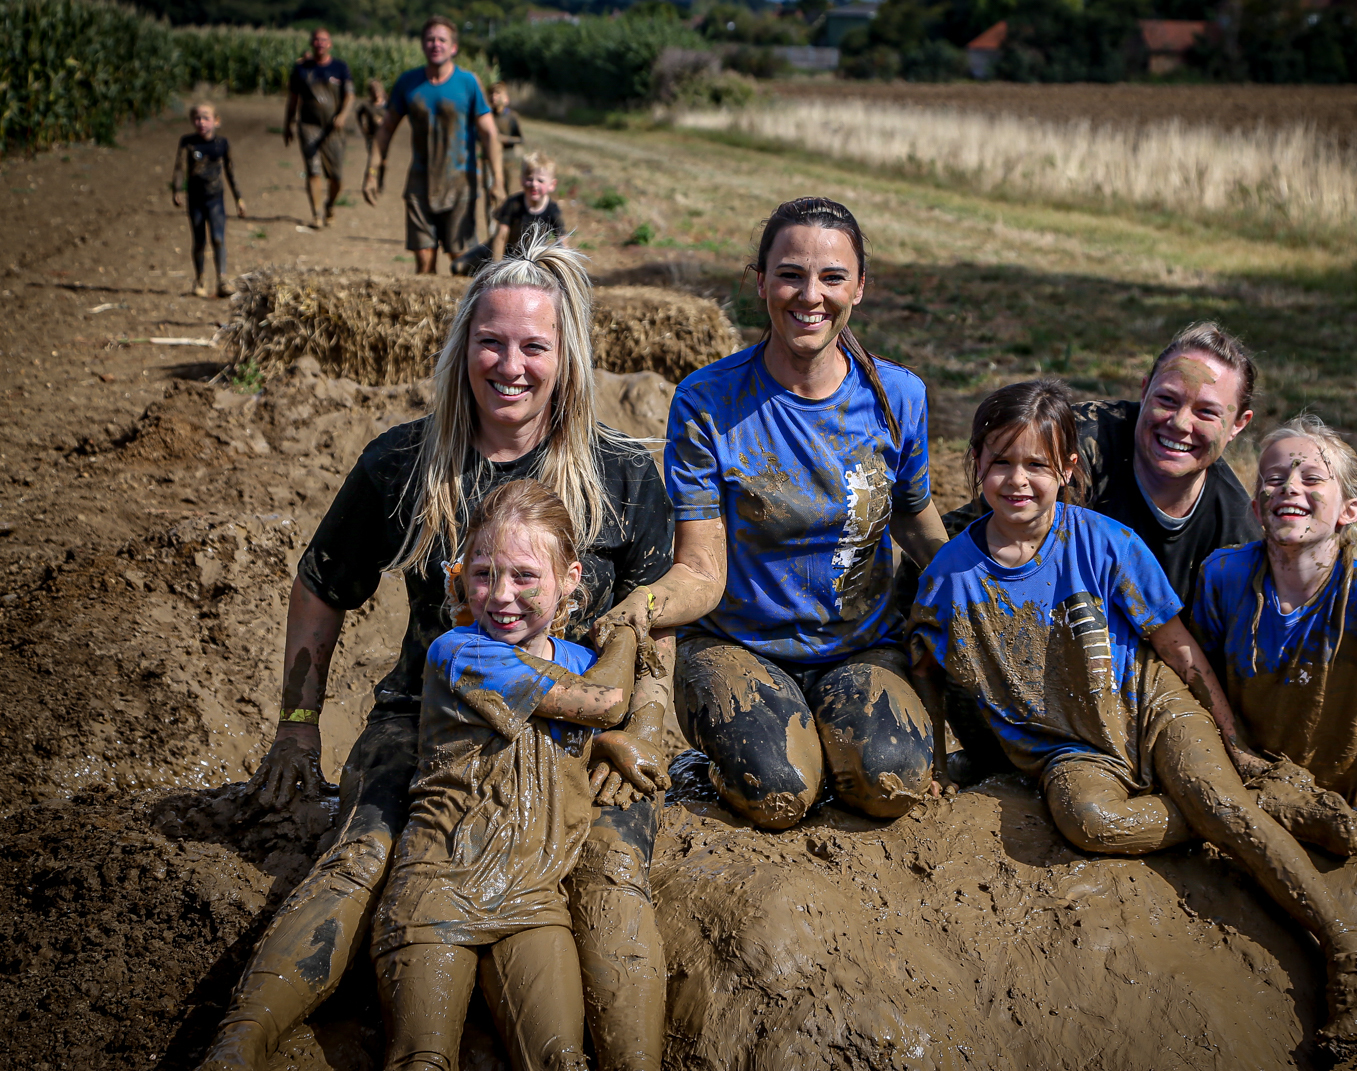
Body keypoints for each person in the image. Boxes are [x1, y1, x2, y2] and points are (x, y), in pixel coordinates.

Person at [199, 231, 674, 1071]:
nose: (511, 364)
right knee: (363, 853)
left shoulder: (620, 474)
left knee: (609, 866)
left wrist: (648, 717)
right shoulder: (404, 460)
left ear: (566, 357)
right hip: (423, 722)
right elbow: (321, 583)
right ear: (464, 347)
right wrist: (298, 727)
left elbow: (650, 614)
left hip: (577, 738)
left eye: (534, 345)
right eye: (492, 341)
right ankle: (235, 1049)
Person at [907, 380, 1357, 1048]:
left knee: (1217, 796)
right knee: (1091, 821)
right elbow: (926, 669)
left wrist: (1231, 740)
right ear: (975, 465)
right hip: (1066, 748)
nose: (1018, 480)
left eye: (1037, 465)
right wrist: (932, 763)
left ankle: (1345, 951)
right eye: (1000, 463)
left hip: (1149, 704)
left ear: (1067, 470)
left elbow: (1175, 646)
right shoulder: (950, 575)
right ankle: (1248, 808)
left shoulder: (1105, 542)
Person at [594, 197, 949, 830]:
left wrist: (975, 587)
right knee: (777, 793)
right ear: (761, 282)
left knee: (890, 781)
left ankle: (826, 735)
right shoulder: (709, 401)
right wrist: (640, 609)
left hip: (860, 647)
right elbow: (702, 569)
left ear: (860, 288)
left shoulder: (899, 397)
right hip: (739, 645)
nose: (810, 295)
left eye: (832, 277)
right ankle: (715, 761)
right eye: (790, 274)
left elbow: (913, 518)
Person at [375, 480, 658, 1071]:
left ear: (571, 579)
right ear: (462, 577)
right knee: (421, 1059)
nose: (500, 596)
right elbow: (603, 699)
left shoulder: (576, 664)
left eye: (524, 576)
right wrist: (628, 633)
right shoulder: (461, 650)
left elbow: (561, 718)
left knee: (562, 1059)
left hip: (533, 899)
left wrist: (605, 743)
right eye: (483, 575)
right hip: (439, 887)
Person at [918, 322, 1263, 783]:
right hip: (1041, 648)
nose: (1179, 423)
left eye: (1206, 411)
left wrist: (1234, 746)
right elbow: (980, 530)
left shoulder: (1237, 530)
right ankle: (993, 753)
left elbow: (1197, 653)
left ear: (1238, 423)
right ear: (1144, 390)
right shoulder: (1081, 440)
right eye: (1166, 399)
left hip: (1140, 679)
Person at [1191, 414, 1357, 831]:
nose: (1289, 486)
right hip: (1234, 787)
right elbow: (1195, 681)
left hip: (1328, 803)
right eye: (1274, 478)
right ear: (1256, 508)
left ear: (1350, 510)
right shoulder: (1221, 576)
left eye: (1311, 479)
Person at [364, 15, 503, 275]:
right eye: (430, 39)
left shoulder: (468, 83)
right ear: (422, 45)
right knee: (424, 260)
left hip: (461, 181)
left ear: (453, 47)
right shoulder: (408, 83)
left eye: (442, 40)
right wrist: (372, 173)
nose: (435, 44)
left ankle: (460, 315)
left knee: (460, 261)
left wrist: (498, 181)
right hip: (419, 182)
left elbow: (490, 134)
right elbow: (385, 131)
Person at [171, 102, 246, 299]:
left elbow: (230, 171)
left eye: (206, 118)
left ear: (216, 121)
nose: (201, 122)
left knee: (218, 238)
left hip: (215, 200)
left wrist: (239, 198)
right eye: (197, 118)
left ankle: (222, 280)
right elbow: (179, 168)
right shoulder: (188, 142)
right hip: (195, 199)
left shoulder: (222, 144)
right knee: (198, 241)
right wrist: (176, 189)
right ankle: (200, 280)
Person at [450, 152, 565, 278]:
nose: (534, 184)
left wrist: (564, 270)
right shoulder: (513, 204)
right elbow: (500, 237)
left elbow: (562, 242)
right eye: (529, 178)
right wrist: (497, 267)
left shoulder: (553, 211)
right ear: (521, 179)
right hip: (496, 252)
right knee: (457, 267)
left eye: (540, 180)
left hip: (528, 257)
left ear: (552, 185)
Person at [284, 28, 353, 229]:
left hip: (333, 129)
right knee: (313, 171)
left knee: (336, 177)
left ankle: (329, 205)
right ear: (312, 43)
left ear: (330, 44)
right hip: (308, 126)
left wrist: (342, 116)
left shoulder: (340, 67)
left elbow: (349, 95)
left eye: (324, 40)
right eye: (316, 39)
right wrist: (287, 124)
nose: (320, 43)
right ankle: (316, 213)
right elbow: (293, 99)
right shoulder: (301, 69)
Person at [489, 81, 525, 197]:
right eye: (492, 94)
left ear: (506, 99)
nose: (494, 97)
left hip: (507, 159)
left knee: (506, 190)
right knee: (489, 189)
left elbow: (520, 139)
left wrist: (505, 139)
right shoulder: (487, 116)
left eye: (498, 94)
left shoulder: (511, 117)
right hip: (489, 158)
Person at [355, 78, 387, 153]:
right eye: (373, 89)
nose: (376, 91)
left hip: (385, 136)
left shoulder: (387, 104)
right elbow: (358, 114)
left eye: (377, 88)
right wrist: (363, 126)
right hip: (372, 137)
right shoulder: (367, 105)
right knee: (373, 157)